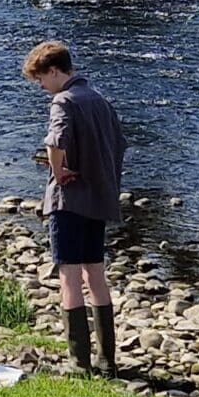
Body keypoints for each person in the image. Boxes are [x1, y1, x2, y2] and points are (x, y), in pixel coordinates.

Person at [22, 41, 128, 378]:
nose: (40, 86)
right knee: (95, 274)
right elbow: (119, 145)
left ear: (54, 71)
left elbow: (55, 143)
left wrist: (58, 171)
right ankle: (107, 362)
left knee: (68, 276)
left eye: (40, 79)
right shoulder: (100, 99)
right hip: (99, 198)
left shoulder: (63, 100)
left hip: (68, 201)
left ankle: (79, 364)